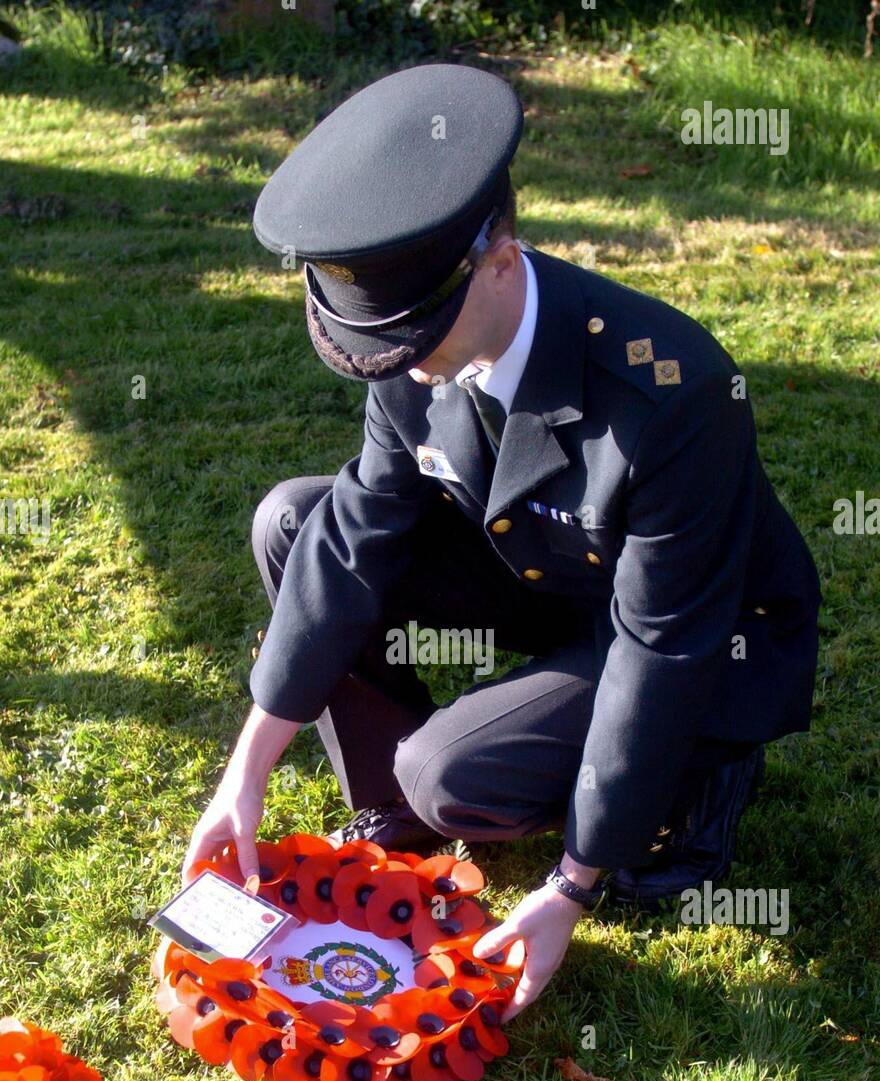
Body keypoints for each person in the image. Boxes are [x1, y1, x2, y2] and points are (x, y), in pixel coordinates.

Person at [183, 64, 821, 1019]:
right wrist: (247, 772)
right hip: (548, 571)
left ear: (499, 256)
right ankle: (391, 813)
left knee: (453, 774)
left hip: (698, 628)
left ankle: (693, 791)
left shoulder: (671, 394)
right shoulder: (406, 334)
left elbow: (660, 650)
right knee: (293, 519)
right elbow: (357, 532)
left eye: (419, 339)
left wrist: (571, 883)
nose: (404, 371)